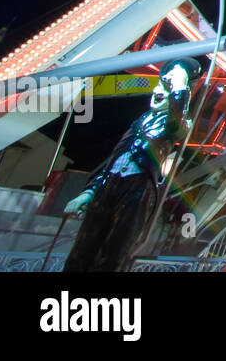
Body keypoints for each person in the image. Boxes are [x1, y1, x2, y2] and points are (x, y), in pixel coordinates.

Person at [63, 58, 201, 271]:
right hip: (110, 184)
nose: (158, 91)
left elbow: (176, 124)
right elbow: (115, 160)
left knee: (115, 250)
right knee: (83, 247)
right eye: (158, 86)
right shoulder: (139, 122)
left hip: (136, 187)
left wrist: (180, 86)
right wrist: (89, 193)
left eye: (166, 89)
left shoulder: (176, 123)